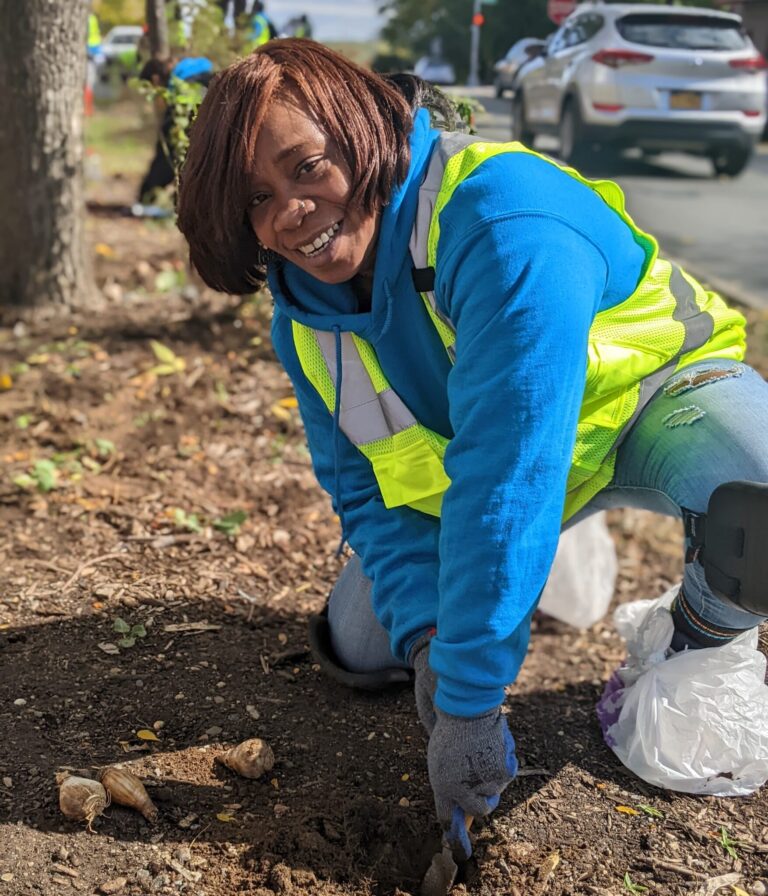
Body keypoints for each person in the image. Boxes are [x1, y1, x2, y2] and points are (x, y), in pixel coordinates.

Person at [176, 40, 768, 856]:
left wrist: (468, 705)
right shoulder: (304, 316)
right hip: (508, 470)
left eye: (308, 166)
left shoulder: (498, 215)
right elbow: (364, 495)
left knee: (759, 493)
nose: (292, 211)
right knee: (361, 649)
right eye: (258, 198)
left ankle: (694, 635)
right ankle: (532, 559)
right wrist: (428, 642)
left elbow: (507, 475)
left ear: (358, 134)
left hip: (652, 412)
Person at [137, 56, 215, 204]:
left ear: (155, 81)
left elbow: (166, 158)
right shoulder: (205, 74)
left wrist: (147, 193)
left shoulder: (181, 98)